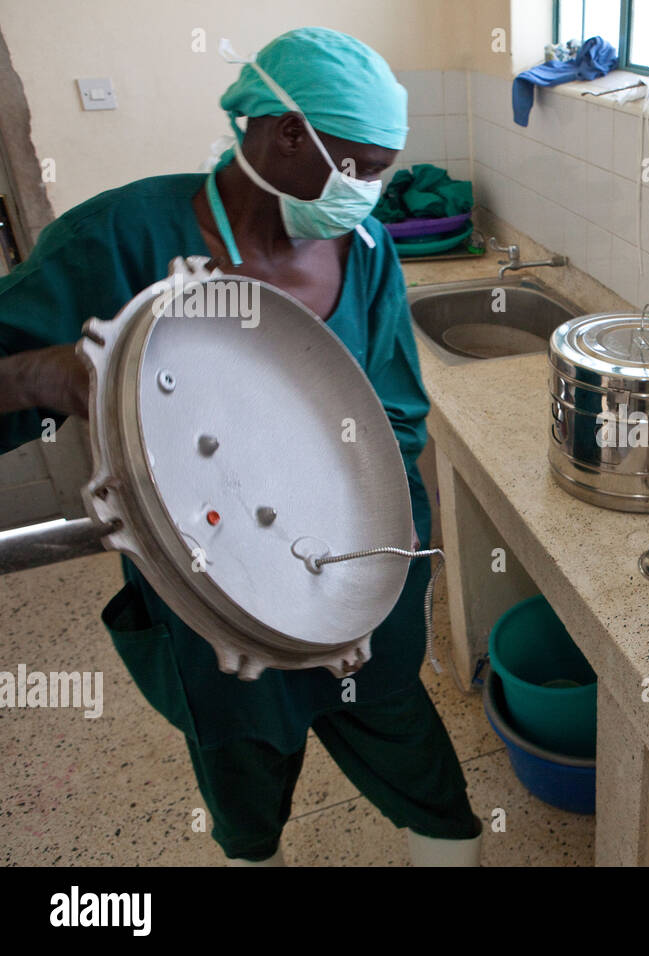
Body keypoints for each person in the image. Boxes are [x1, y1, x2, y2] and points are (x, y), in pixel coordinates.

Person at [0, 27, 481, 866]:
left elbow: (396, 417)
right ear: (286, 132)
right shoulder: (118, 240)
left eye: (384, 171)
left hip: (354, 582)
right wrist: (47, 375)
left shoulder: (361, 252)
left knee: (426, 782)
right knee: (248, 795)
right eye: (358, 166)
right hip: (212, 589)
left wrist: (371, 574)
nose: (369, 193)